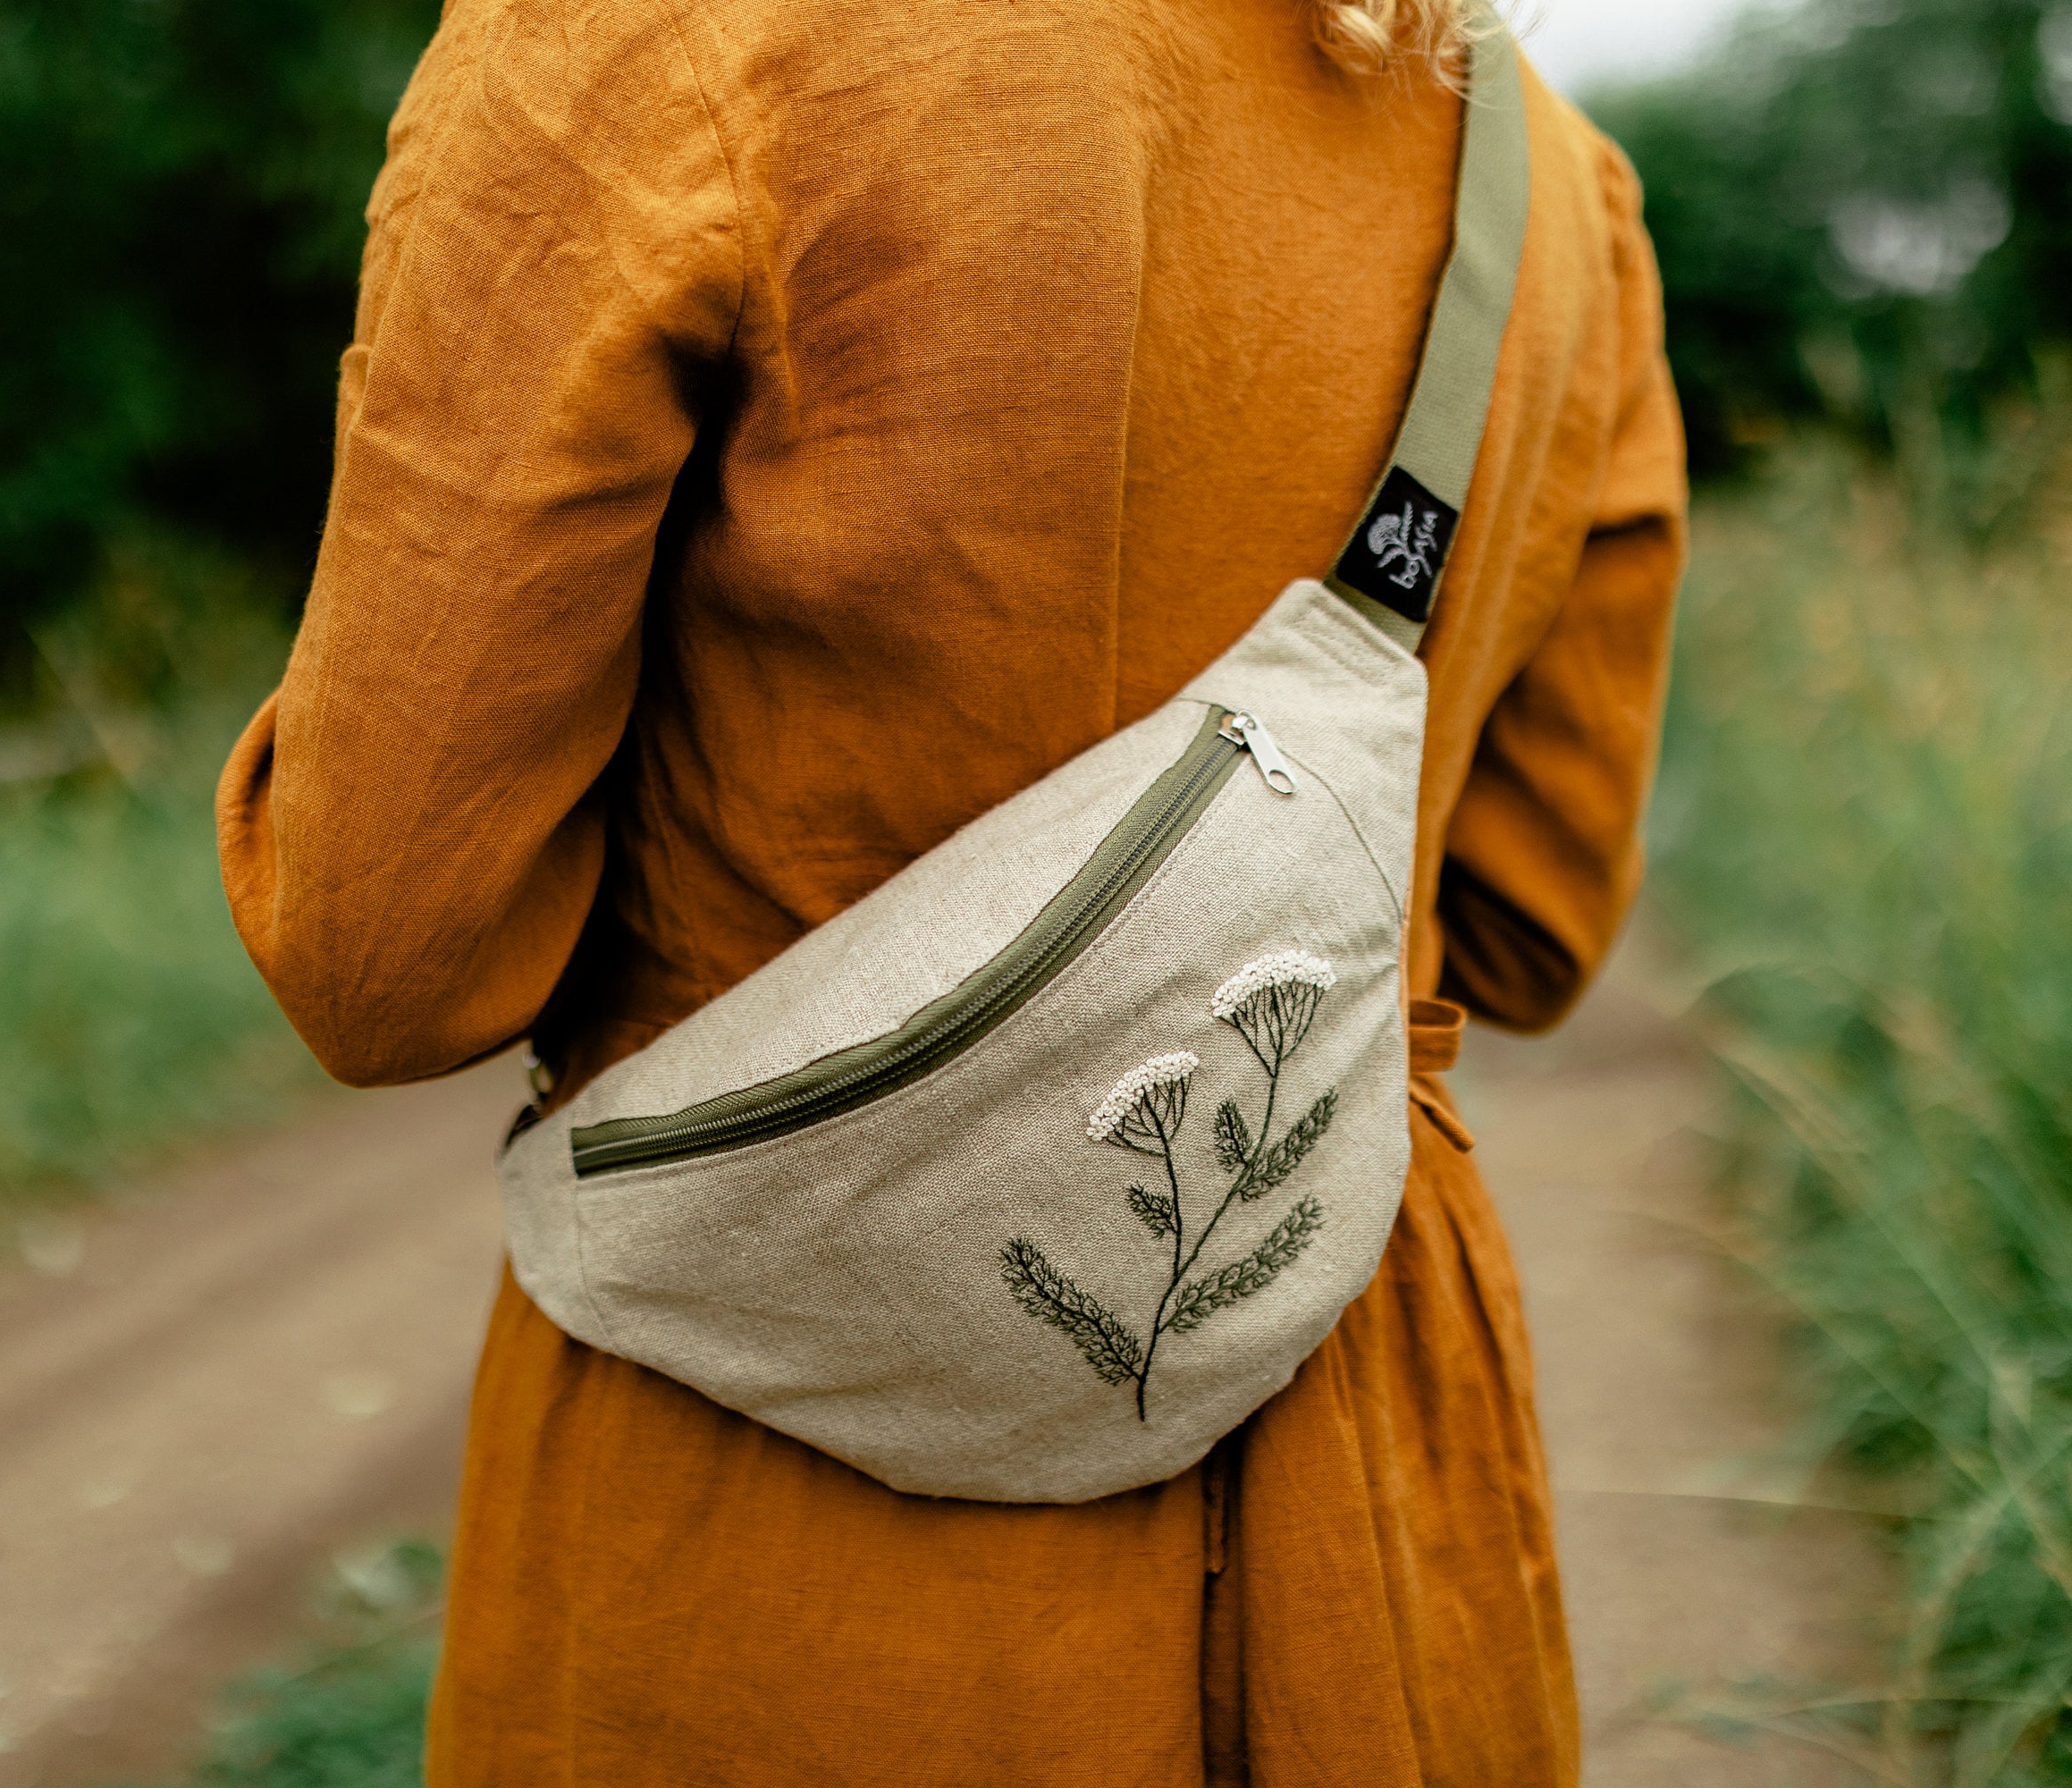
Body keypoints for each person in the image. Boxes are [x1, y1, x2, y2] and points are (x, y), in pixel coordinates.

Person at [216, 0, 1686, 1775]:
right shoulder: (1551, 183)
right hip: (1368, 1524)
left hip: (769, 1520)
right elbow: (1532, 924)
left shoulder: (667, 44)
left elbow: (387, 958)